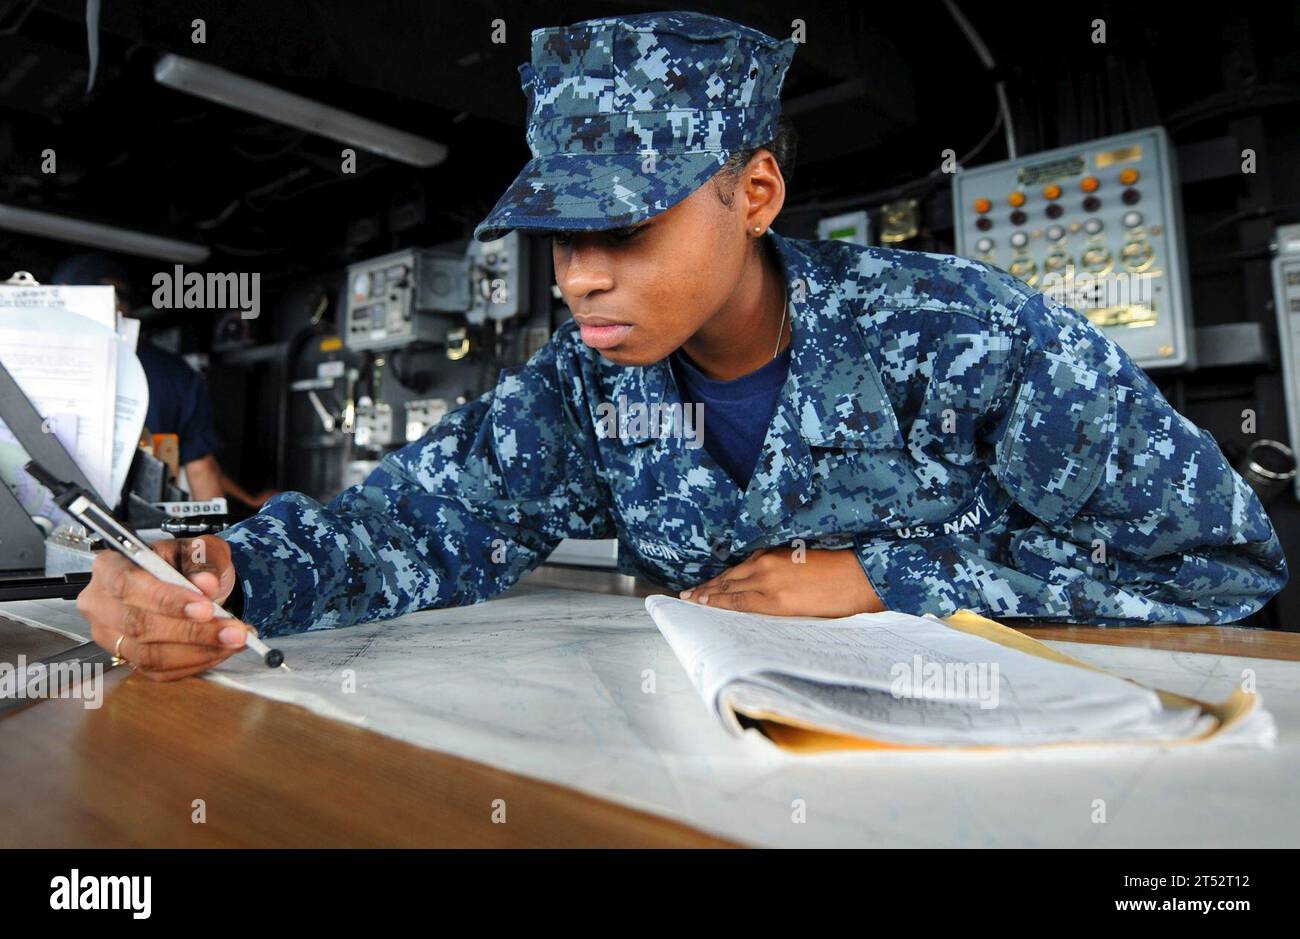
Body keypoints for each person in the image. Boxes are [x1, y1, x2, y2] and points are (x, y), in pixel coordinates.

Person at [75, 11, 1286, 682]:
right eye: (557, 232)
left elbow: (1220, 570)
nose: (580, 272)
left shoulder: (965, 332)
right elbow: (411, 527)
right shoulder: (582, 386)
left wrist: (887, 580)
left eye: (625, 224)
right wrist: (228, 574)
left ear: (753, 193)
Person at [50, 252, 277, 509]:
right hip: (139, 533)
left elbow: (201, 466)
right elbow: (201, 469)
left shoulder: (33, 357)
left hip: (41, 517)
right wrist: (215, 542)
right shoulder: (175, 372)